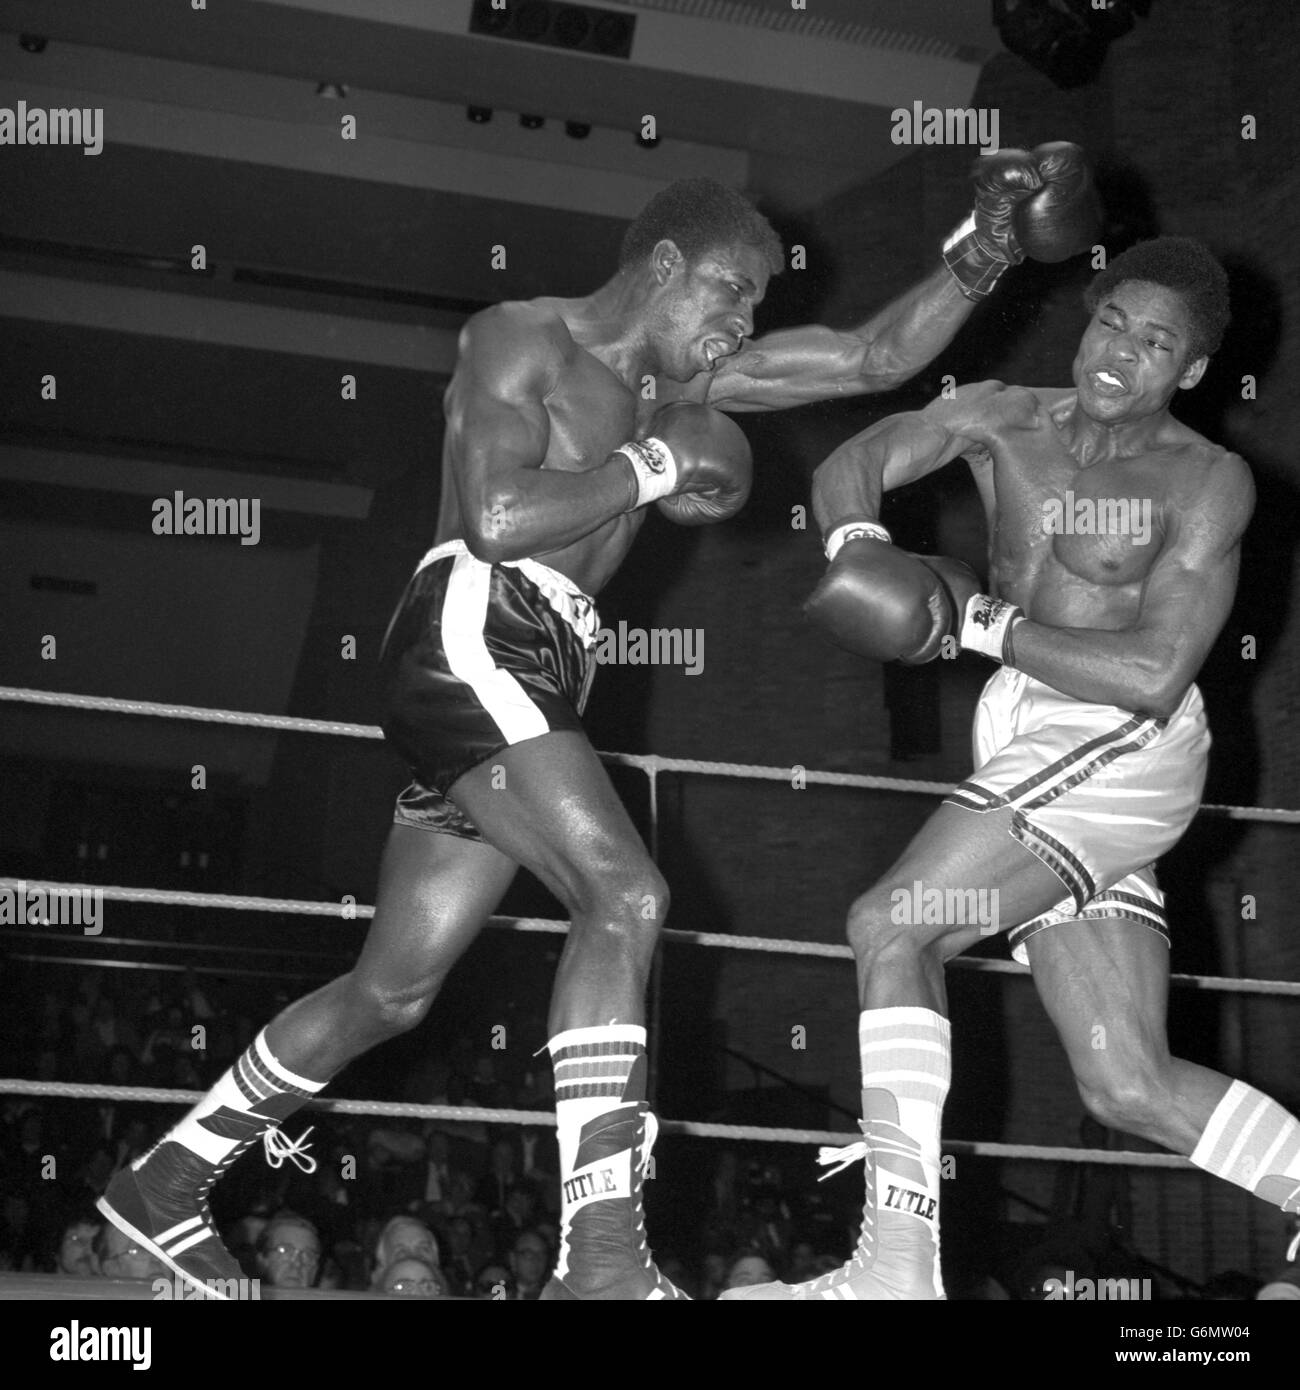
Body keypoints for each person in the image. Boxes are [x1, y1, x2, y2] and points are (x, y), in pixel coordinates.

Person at [100, 156, 1099, 1301]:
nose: (739, 327)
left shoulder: (696, 389)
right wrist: (654, 462)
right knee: (625, 896)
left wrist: (984, 249)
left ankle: (164, 1182)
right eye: (727, 295)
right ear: (664, 266)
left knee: (393, 993)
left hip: (535, 671)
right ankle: (603, 1260)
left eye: (753, 310)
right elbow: (495, 515)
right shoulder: (519, 339)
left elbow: (873, 357)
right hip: (474, 627)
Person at [721, 237, 1300, 1300]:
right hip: (1030, 743)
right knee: (1123, 1080)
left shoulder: (1206, 481)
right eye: (1111, 322)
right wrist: (856, 542)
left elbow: (1153, 673)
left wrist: (980, 619)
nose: (1119, 353)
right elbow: (855, 458)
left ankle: (892, 1270)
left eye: (1155, 341)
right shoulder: (1000, 415)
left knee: (892, 922)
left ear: (1192, 372)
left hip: (1117, 740)